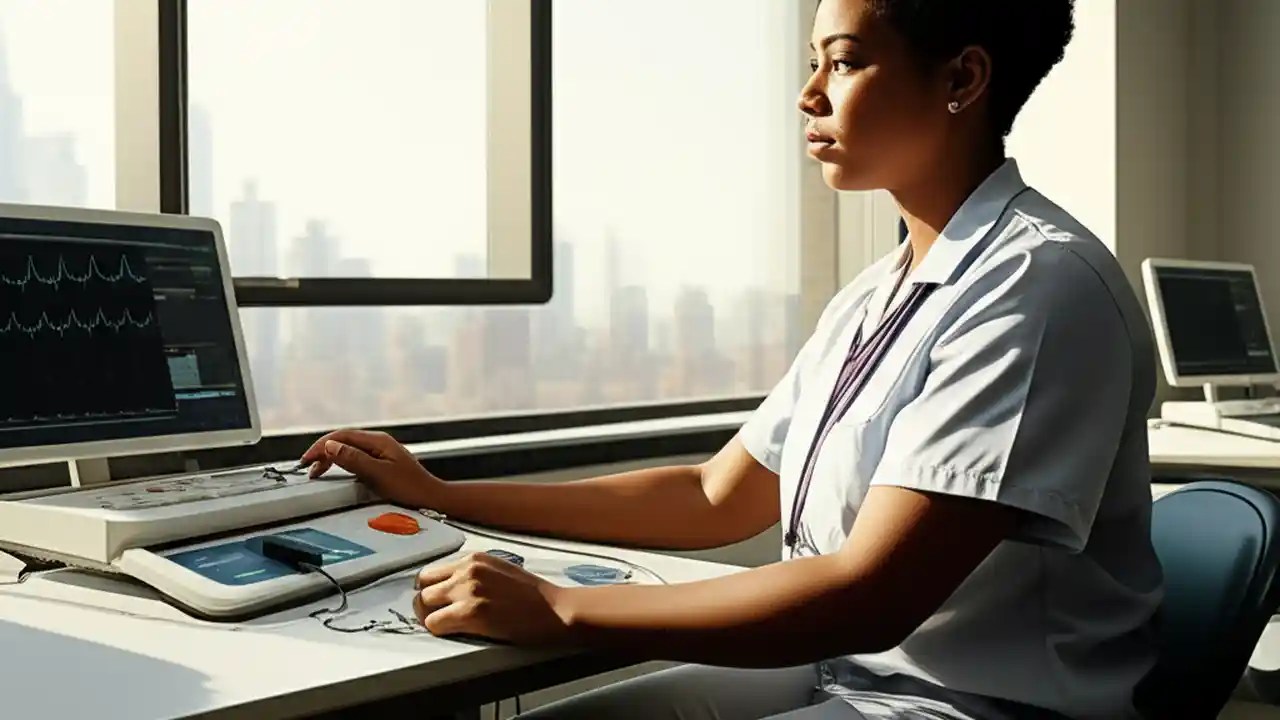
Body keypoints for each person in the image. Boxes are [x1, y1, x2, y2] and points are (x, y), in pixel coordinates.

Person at [300, 0, 1164, 717]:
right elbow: (715, 497)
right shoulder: (879, 292)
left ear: (962, 80)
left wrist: (563, 609)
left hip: (971, 706)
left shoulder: (1039, 287)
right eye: (812, 63)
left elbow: (873, 595)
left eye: (845, 62)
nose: (807, 95)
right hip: (849, 675)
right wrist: (443, 496)